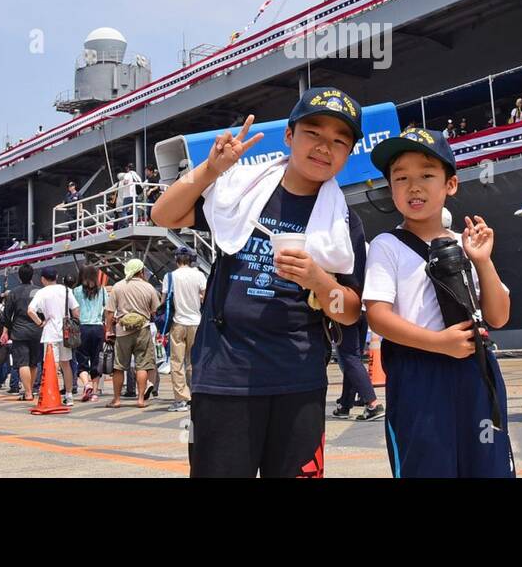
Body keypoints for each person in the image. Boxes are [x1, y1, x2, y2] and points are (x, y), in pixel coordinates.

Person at [150, 87, 367, 478]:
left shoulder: (344, 222)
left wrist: (319, 280)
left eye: (339, 141)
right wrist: (212, 169)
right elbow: (163, 214)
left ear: (348, 154)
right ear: (289, 136)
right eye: (313, 133)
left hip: (298, 380)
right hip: (224, 377)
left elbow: (348, 313)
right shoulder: (241, 192)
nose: (324, 147)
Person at [363, 128, 513, 477]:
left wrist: (483, 261)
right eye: (401, 178)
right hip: (419, 371)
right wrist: (438, 343)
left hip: (475, 372)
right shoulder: (387, 245)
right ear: (391, 188)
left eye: (427, 175)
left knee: (487, 464)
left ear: (451, 184)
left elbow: (498, 316)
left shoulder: (466, 243)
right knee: (426, 464)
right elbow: (378, 317)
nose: (414, 186)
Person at [104, 258, 162, 408]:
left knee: (119, 366)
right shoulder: (149, 288)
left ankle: (116, 400)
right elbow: (155, 311)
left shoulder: (118, 287)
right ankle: (141, 399)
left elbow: (109, 312)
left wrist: (108, 329)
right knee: (141, 365)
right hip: (142, 329)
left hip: (122, 331)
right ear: (141, 272)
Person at [161, 248, 207, 412]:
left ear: (176, 259)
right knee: (194, 360)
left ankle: (181, 399)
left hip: (178, 322)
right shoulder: (199, 275)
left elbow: (164, 300)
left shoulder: (170, 276)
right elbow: (205, 296)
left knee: (177, 362)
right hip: (196, 322)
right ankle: (195, 394)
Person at [29, 267, 79, 404]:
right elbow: (76, 311)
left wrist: (40, 323)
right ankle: (69, 395)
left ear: (43, 279)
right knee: (66, 364)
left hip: (50, 331)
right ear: (56, 277)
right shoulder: (66, 290)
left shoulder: (41, 292)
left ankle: (51, 393)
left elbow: (30, 311)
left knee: (52, 365)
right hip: (66, 332)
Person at [333, 312, 382, 421]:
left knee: (350, 358)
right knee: (353, 360)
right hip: (362, 312)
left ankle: (372, 404)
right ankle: (345, 405)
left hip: (342, 311)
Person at [5, 264, 42, 402]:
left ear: (19, 276)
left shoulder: (13, 293)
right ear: (32, 275)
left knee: (22, 363)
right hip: (37, 330)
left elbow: (7, 315)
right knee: (33, 363)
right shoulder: (38, 291)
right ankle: (31, 390)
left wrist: (7, 330)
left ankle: (27, 393)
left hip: (19, 331)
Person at [73, 264, 107, 402]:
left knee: (81, 360)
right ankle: (95, 392)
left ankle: (86, 384)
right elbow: (107, 308)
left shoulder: (76, 291)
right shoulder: (102, 291)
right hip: (98, 328)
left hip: (82, 328)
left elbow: (73, 311)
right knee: (96, 360)